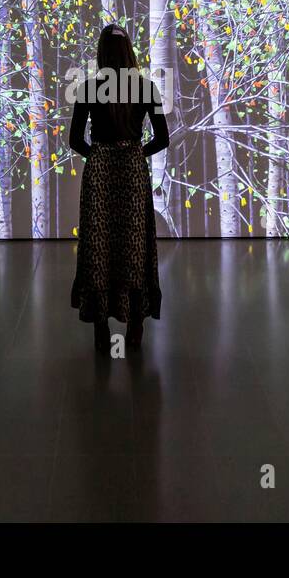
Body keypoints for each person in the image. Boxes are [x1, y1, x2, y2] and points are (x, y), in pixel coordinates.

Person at [68, 24, 169, 351]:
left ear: (101, 54)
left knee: (99, 246)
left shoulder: (88, 88)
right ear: (129, 54)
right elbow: (162, 138)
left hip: (99, 173)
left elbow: (74, 140)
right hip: (131, 172)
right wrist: (136, 153)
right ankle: (135, 325)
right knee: (133, 246)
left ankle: (100, 326)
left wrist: (98, 155)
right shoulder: (145, 88)